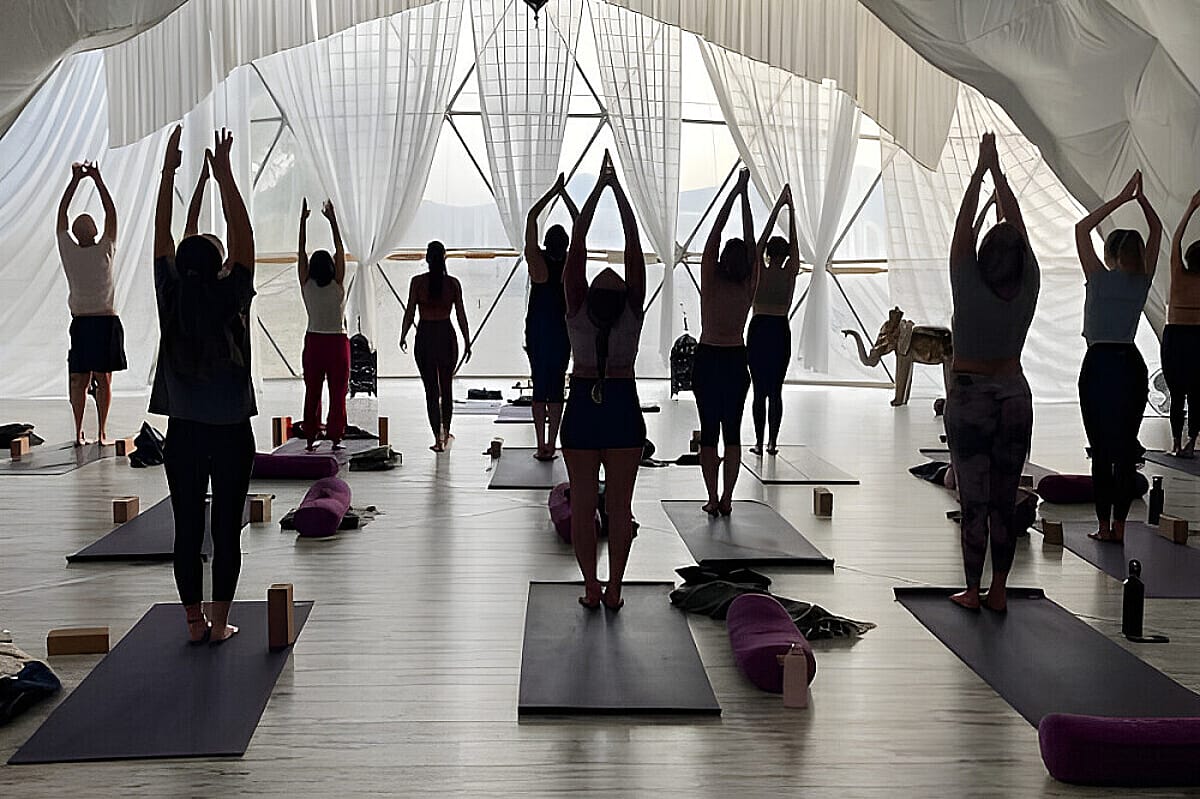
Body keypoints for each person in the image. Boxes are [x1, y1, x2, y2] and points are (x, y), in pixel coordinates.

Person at [151, 126, 256, 644]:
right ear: (219, 264)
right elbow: (243, 235)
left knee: (188, 527)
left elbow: (165, 236)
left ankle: (194, 622)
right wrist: (225, 176)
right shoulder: (233, 293)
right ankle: (218, 623)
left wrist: (170, 174)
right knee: (226, 531)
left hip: (184, 433)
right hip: (231, 432)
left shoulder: (170, 295)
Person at [945, 132, 1039, 613]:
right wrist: (1000, 175)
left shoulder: (967, 283)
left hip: (970, 398)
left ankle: (973, 591)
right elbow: (1018, 230)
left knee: (974, 503)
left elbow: (963, 228)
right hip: (1015, 396)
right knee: (1005, 499)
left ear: (985, 259)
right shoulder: (1029, 288)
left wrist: (981, 173)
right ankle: (999, 590)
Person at [561, 151, 646, 611]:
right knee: (619, 508)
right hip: (622, 406)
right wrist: (620, 196)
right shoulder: (631, 314)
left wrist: (598, 191)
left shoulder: (577, 311)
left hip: (581, 406)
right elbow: (634, 249)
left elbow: (576, 247)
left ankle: (593, 588)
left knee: (582, 509)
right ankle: (613, 589)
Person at [1075, 171, 1160, 542]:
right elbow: (1157, 232)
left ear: (1110, 255)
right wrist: (1143, 203)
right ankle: (1119, 528)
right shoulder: (1141, 280)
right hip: (1130, 365)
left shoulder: (1098, 276)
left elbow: (1081, 229)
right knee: (1124, 448)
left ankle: (1104, 526)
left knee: (1102, 450)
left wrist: (1123, 198)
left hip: (1098, 366)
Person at [694, 167, 757, 515]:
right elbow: (750, 241)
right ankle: (728, 498)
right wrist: (745, 196)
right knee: (732, 432)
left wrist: (733, 194)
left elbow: (714, 236)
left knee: (708, 432)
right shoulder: (747, 285)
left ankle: (712, 498)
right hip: (735, 360)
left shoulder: (710, 280)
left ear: (720, 262)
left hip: (709, 358)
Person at [56, 161, 126, 446]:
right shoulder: (71, 250)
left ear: (93, 231)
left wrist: (90, 180)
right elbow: (64, 216)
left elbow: (109, 213)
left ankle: (100, 432)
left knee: (103, 378)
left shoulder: (104, 248)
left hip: (103, 320)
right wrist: (87, 180)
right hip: (86, 321)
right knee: (80, 379)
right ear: (78, 232)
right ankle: (79, 432)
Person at [524, 174, 579, 461]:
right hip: (561, 329)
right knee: (556, 384)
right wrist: (566, 196)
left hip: (537, 328)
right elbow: (580, 223)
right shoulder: (570, 264)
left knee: (539, 383)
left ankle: (539, 445)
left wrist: (552, 192)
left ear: (546, 243)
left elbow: (532, 217)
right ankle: (551, 443)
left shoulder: (537, 262)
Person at [400, 241, 471, 452]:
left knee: (431, 390)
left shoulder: (418, 283)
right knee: (446, 388)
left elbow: (410, 311)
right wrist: (467, 341)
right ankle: (445, 431)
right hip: (446, 336)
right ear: (444, 258)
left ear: (427, 259)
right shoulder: (452, 284)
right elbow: (460, 315)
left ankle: (437, 438)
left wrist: (403, 334)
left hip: (425, 336)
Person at [747, 185, 800, 455]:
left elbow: (757, 246)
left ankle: (758, 442)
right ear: (787, 255)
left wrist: (779, 206)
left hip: (759, 330)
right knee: (775, 391)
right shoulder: (790, 273)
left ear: (768, 254)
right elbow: (795, 245)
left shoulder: (760, 273)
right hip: (780, 329)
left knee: (759, 391)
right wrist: (791, 212)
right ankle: (772, 443)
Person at [297, 198, 348, 451]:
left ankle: (310, 436)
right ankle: (336, 436)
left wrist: (302, 224)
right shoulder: (337, 284)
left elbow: (300, 254)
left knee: (312, 391)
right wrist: (333, 221)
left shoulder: (306, 284)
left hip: (314, 341)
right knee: (338, 393)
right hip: (337, 342)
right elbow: (340, 250)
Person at [1164, 188, 1200, 457]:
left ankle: (1177, 443)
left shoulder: (1179, 274)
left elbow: (1175, 241)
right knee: (1197, 394)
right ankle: (1189, 443)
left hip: (1176, 336)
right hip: (1196, 337)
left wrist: (1191, 209)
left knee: (1177, 394)